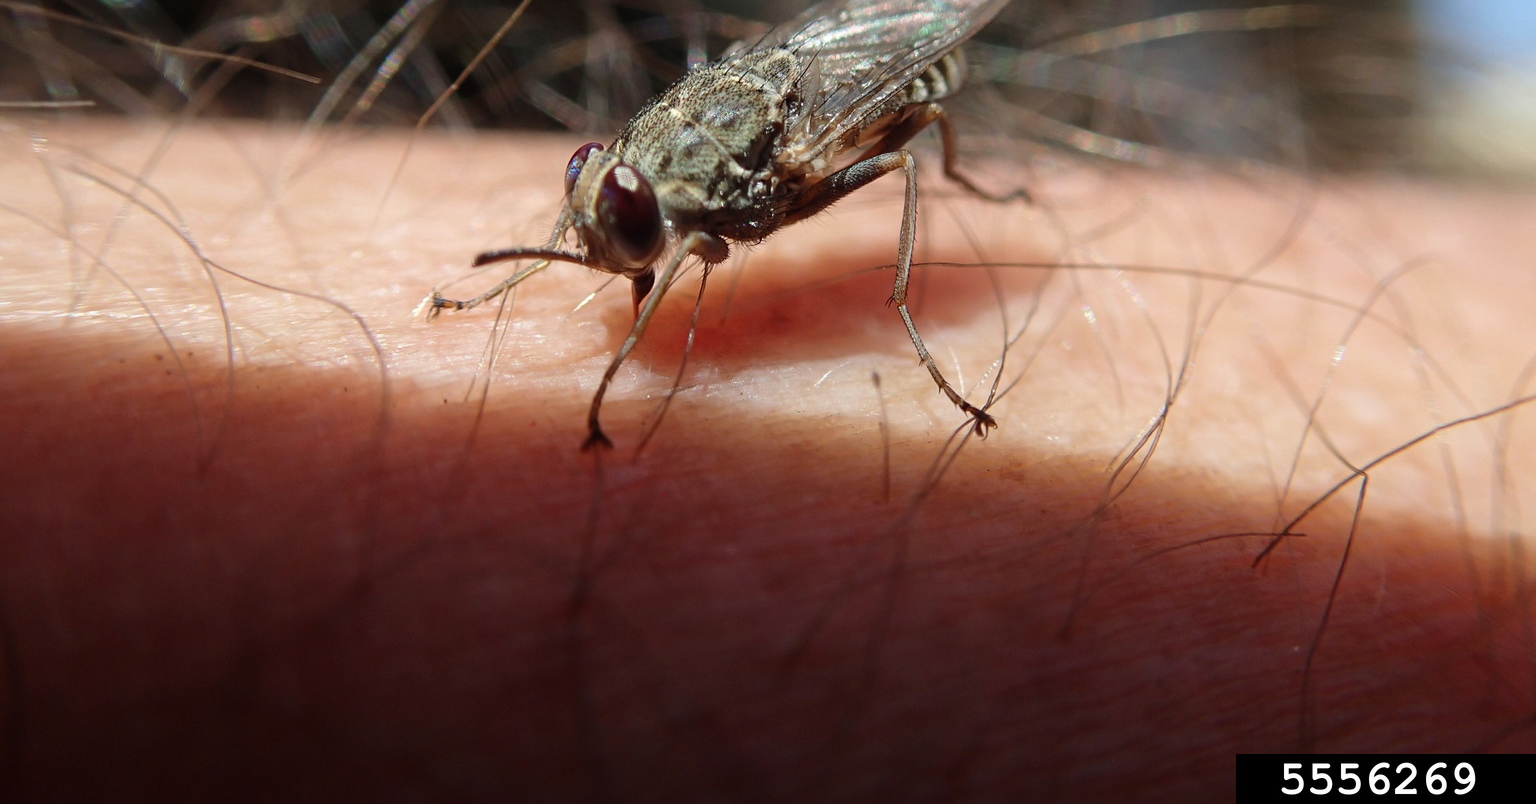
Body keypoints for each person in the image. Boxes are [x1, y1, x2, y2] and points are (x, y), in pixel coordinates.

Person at [0, 117, 1530, 800]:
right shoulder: (642, 199)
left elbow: (823, 149)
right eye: (600, 207)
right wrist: (520, 272)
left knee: (908, 137)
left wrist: (913, 328)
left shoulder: (737, 196)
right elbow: (621, 217)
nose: (612, 236)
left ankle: (923, 310)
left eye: (622, 224)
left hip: (818, 114)